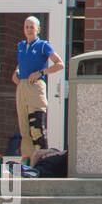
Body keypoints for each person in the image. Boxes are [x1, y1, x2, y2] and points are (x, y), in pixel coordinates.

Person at [11, 16, 63, 162]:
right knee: (24, 130)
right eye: (26, 27)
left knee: (37, 128)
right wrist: (16, 72)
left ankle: (43, 162)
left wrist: (41, 72)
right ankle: (28, 164)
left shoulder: (43, 45)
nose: (29, 30)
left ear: (38, 29)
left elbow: (60, 64)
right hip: (22, 87)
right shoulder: (21, 45)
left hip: (35, 87)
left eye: (32, 27)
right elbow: (21, 62)